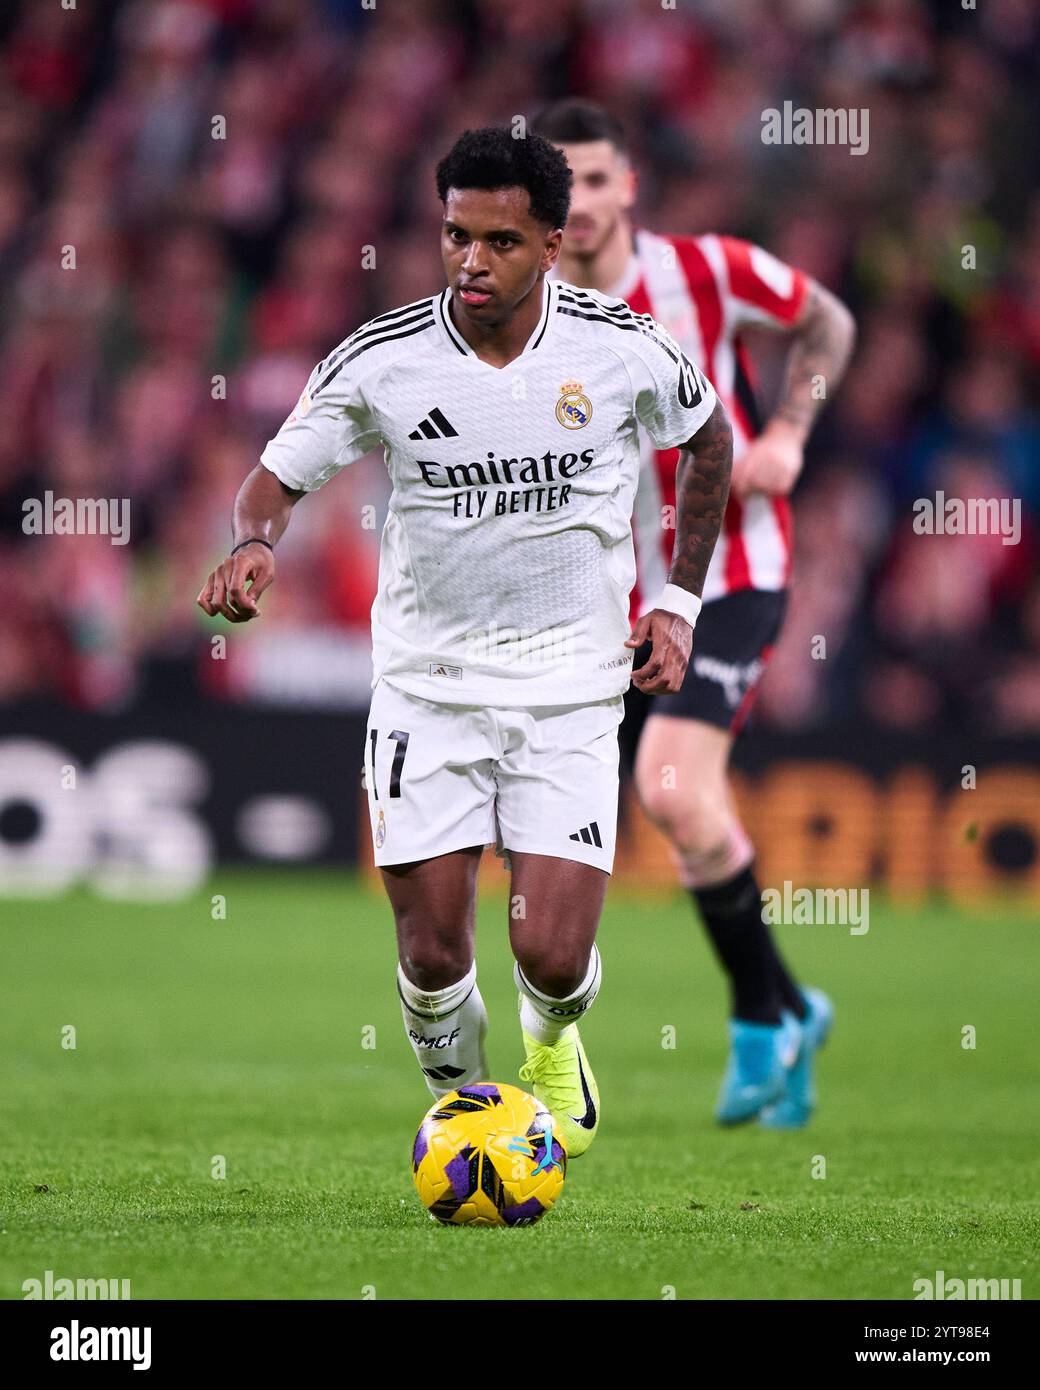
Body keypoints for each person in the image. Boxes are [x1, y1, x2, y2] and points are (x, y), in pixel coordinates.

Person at [196, 127, 732, 1159]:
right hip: (425, 688)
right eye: (454, 237)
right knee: (434, 955)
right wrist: (254, 544)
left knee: (551, 949)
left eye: (498, 241)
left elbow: (705, 440)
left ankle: (552, 1043)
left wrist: (677, 602)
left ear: (550, 239)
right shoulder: (381, 360)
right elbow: (274, 477)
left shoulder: (618, 348)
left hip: (573, 684)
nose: (471, 263)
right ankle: (471, 1115)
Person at [533, 99, 857, 1127]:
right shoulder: (523, 310)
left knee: (669, 786)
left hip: (730, 570)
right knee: (662, 819)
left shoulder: (703, 272)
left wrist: (793, 430)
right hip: (600, 599)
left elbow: (828, 320)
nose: (578, 203)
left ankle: (759, 1017)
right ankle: (790, 1005)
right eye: (559, 184)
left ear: (627, 185)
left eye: (594, 180)